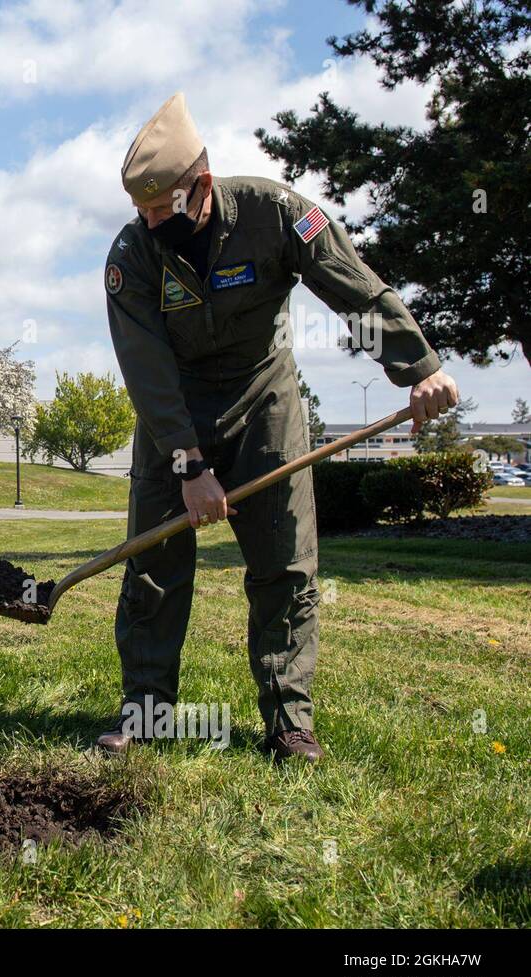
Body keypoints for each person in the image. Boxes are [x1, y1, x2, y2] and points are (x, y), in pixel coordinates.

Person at [99, 93, 459, 761]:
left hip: (265, 408)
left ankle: (289, 723)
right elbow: (146, 370)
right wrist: (189, 466)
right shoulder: (134, 255)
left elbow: (356, 288)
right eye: (140, 211)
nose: (151, 222)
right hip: (171, 415)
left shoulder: (278, 215)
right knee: (152, 568)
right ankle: (146, 715)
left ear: (201, 186)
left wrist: (418, 368)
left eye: (161, 208)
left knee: (284, 569)